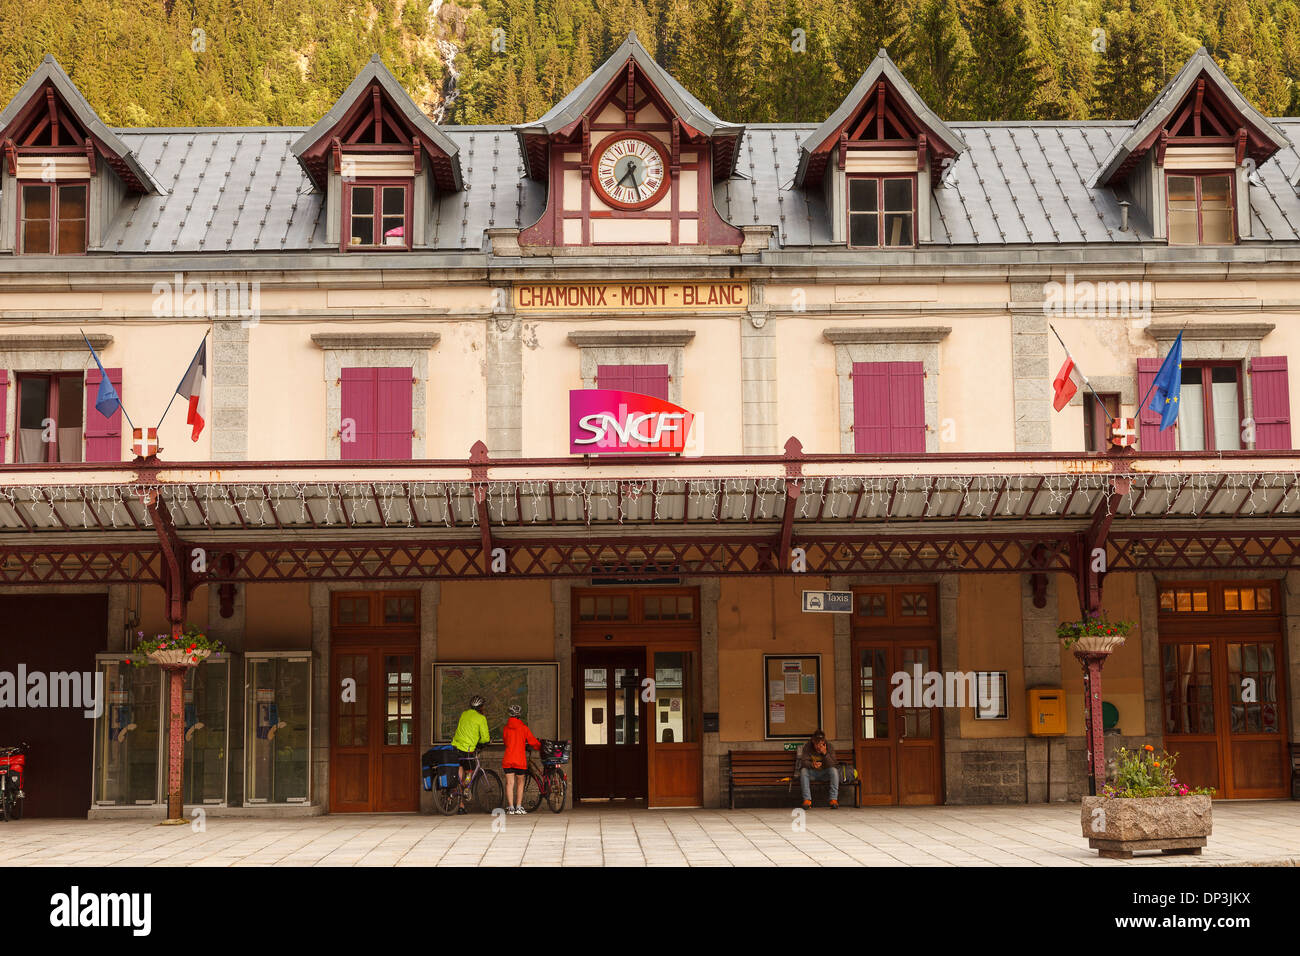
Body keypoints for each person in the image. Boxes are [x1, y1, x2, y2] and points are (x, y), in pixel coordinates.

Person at [450, 694, 491, 814]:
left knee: (459, 771)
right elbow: (485, 738)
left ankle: (460, 805)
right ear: (481, 707)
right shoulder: (481, 718)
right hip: (467, 749)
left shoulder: (464, 714)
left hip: (455, 747)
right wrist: (485, 742)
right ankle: (465, 788)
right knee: (470, 771)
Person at [501, 703, 541, 814]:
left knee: (509, 783)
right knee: (520, 783)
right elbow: (532, 742)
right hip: (520, 760)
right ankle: (518, 807)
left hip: (508, 758)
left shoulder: (506, 728)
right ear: (519, 715)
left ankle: (511, 808)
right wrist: (540, 746)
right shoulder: (523, 728)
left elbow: (505, 742)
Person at [796, 729, 839, 809]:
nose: (819, 746)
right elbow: (803, 762)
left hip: (825, 773)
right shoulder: (808, 747)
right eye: (816, 744)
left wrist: (825, 753)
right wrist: (812, 764)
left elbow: (833, 764)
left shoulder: (829, 747)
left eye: (821, 743)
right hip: (813, 773)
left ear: (824, 742)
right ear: (813, 741)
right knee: (803, 771)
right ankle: (807, 800)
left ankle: (833, 800)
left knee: (834, 771)